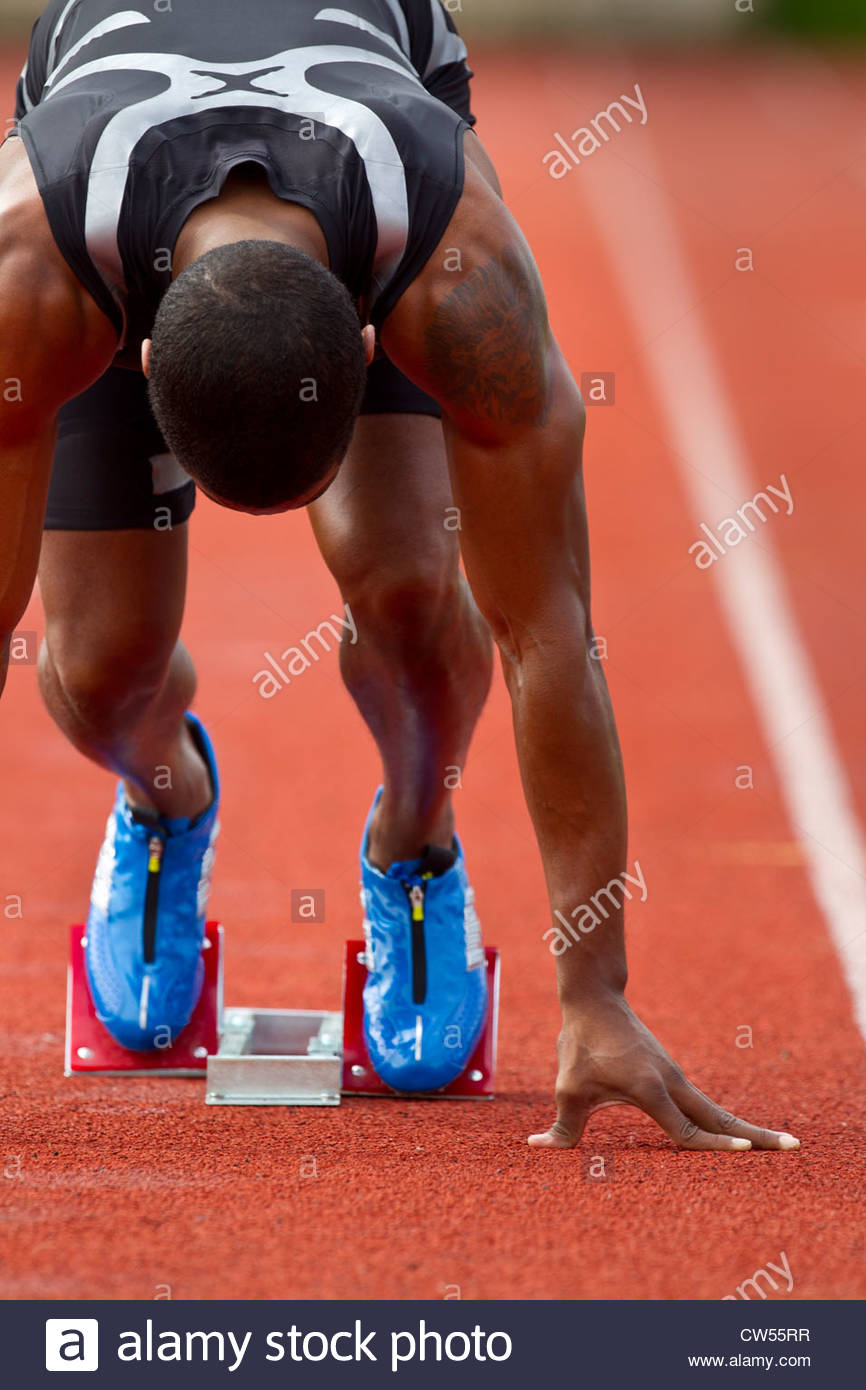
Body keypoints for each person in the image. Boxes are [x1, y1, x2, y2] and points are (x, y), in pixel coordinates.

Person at [0, 0, 798, 1150]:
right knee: (95, 672)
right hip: (107, 180)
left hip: (370, 143)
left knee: (412, 595)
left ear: (377, 346)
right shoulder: (31, 275)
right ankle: (162, 797)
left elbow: (548, 632)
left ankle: (414, 840)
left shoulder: (457, 277)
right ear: (136, 358)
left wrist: (595, 994)